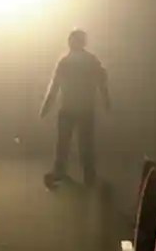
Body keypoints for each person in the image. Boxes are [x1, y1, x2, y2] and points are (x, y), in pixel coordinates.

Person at [40, 29, 110, 188]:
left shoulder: (66, 61)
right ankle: (88, 175)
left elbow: (55, 86)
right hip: (82, 108)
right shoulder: (90, 60)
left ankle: (61, 172)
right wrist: (106, 101)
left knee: (64, 143)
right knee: (84, 144)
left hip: (70, 108)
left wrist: (46, 106)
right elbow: (102, 81)